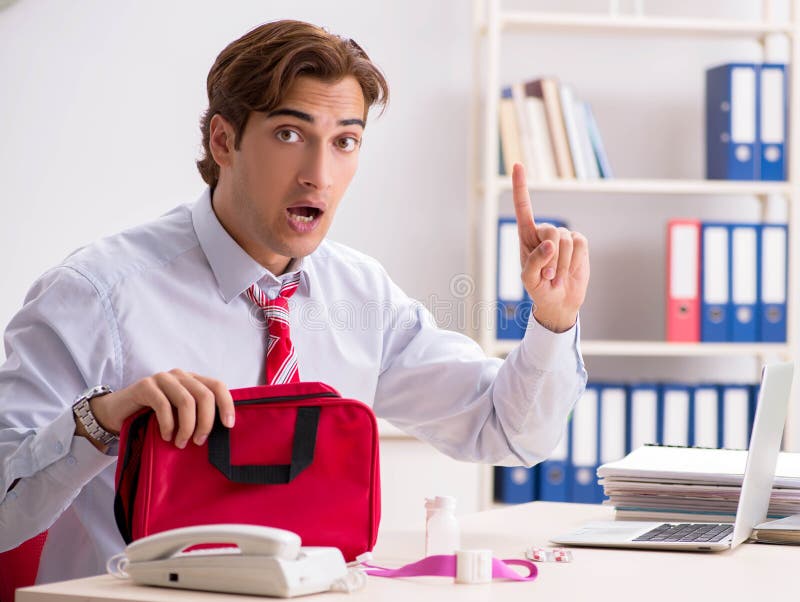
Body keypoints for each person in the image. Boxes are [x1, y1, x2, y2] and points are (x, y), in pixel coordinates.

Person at [0, 19, 589, 583]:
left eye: (345, 142)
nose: (319, 175)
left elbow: (507, 432)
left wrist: (553, 320)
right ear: (224, 140)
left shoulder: (361, 295)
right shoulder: (94, 294)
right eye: (289, 134)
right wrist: (101, 421)